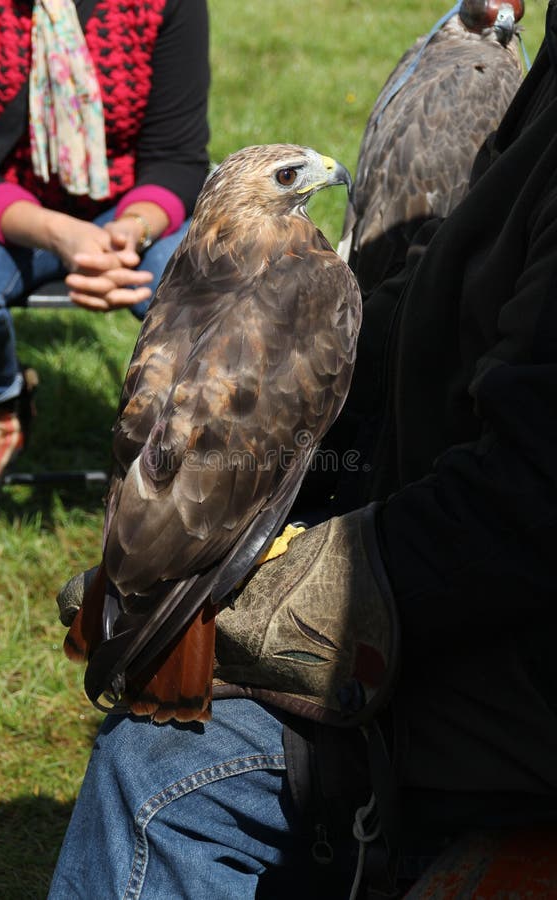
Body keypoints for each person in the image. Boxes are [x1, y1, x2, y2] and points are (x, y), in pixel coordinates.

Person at [48, 2, 557, 897]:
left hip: (513, 650)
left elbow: (532, 490)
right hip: (403, 510)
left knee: (156, 771)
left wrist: (334, 581)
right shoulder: (533, 71)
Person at [0, 0, 210, 533]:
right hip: (7, 209)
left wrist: (129, 231)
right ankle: (1, 414)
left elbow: (177, 155)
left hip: (129, 207)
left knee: (203, 288)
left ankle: (183, 449)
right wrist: (62, 235)